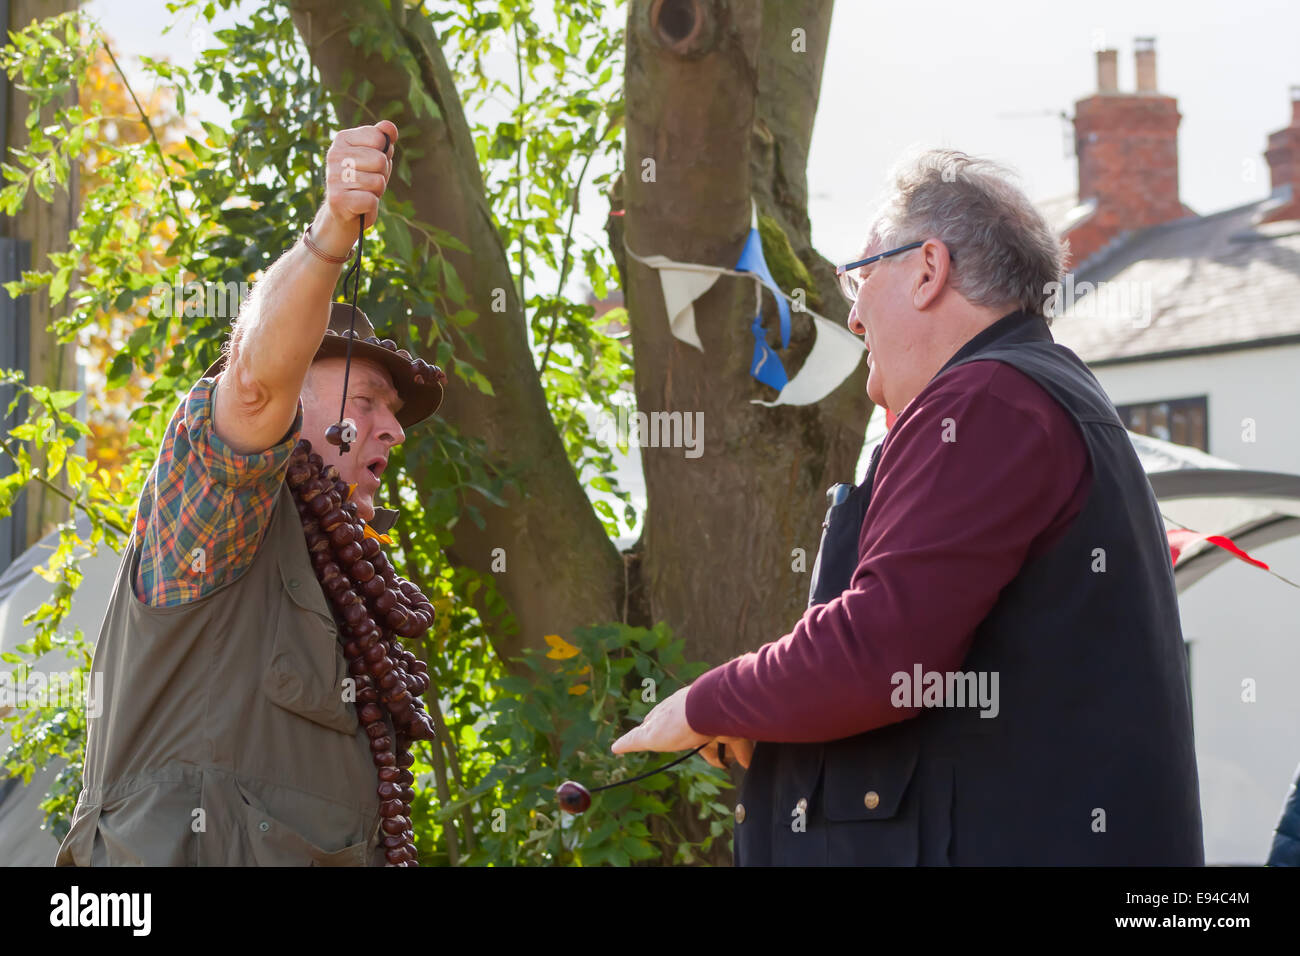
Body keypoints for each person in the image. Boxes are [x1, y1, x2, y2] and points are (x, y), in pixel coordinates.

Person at [613, 148, 1204, 866]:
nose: (853, 316)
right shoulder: (1024, 393)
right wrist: (773, 714)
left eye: (861, 277)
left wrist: (704, 703)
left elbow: (879, 655)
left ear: (928, 270)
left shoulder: (985, 401)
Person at [56, 120, 447, 866]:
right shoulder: (219, 508)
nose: (394, 430)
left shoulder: (342, 576)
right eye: (366, 400)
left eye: (394, 412)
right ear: (297, 399)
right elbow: (255, 385)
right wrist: (332, 233)